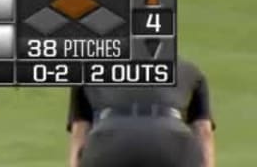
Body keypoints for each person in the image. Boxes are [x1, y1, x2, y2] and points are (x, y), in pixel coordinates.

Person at [67, 57, 215, 167]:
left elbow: (79, 135)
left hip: (109, 144)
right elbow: (204, 132)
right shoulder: (190, 70)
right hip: (172, 144)